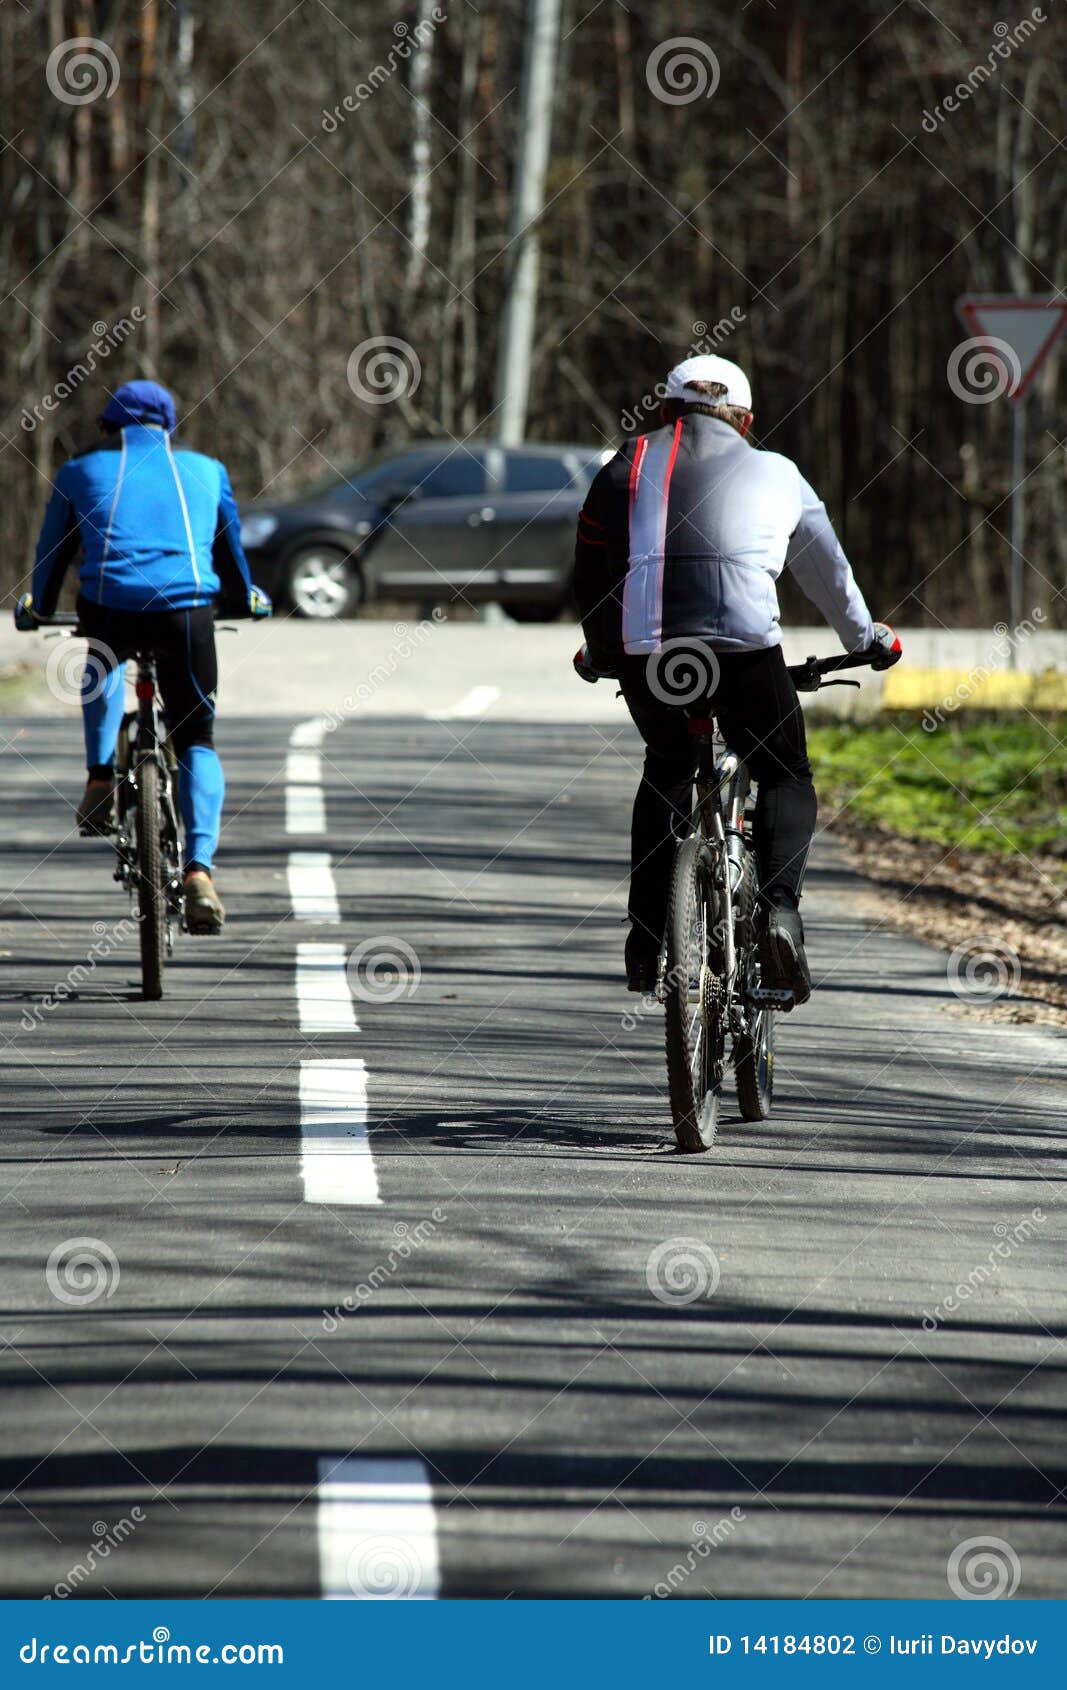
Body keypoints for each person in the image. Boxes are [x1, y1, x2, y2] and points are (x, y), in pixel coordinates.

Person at [574, 353, 900, 1005]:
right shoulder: (776, 471)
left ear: (666, 411)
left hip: (650, 658)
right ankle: (779, 913)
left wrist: (601, 649)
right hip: (745, 652)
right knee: (783, 772)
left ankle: (644, 943)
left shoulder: (623, 465)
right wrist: (866, 641)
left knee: (666, 764)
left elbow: (592, 570)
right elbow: (827, 572)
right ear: (745, 420)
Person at [17, 379, 271, 934]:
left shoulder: (80, 472)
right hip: (188, 613)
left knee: (101, 651)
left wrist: (36, 606)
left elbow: (52, 555)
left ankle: (98, 777)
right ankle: (200, 872)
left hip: (112, 605)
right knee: (197, 739)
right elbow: (231, 556)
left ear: (110, 430)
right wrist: (246, 598)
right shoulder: (207, 470)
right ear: (168, 431)